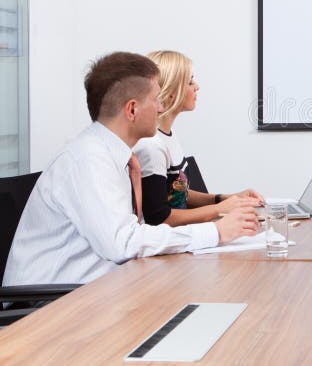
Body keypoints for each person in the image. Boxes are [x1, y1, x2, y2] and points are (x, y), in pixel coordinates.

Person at [2, 52, 259, 286]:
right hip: (48, 304)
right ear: (132, 109)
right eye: (156, 100)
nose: (161, 107)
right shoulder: (89, 160)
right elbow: (123, 243)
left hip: (97, 287)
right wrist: (215, 231)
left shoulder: (115, 156)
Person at [133, 50, 263, 226]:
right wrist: (219, 209)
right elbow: (159, 218)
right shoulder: (152, 146)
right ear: (171, 91)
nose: (197, 87)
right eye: (190, 82)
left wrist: (225, 199)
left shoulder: (168, 136)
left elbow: (177, 193)